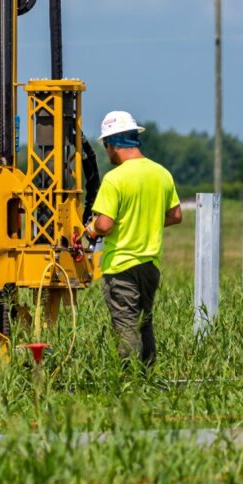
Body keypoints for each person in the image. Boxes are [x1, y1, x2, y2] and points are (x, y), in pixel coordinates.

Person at [85, 110, 181, 369]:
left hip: (121, 267)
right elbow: (175, 215)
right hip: (150, 265)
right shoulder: (161, 173)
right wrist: (145, 221)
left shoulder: (115, 179)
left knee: (126, 325)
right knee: (144, 323)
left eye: (106, 146)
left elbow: (105, 225)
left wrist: (91, 230)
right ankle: (148, 376)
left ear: (113, 144)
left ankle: (130, 379)